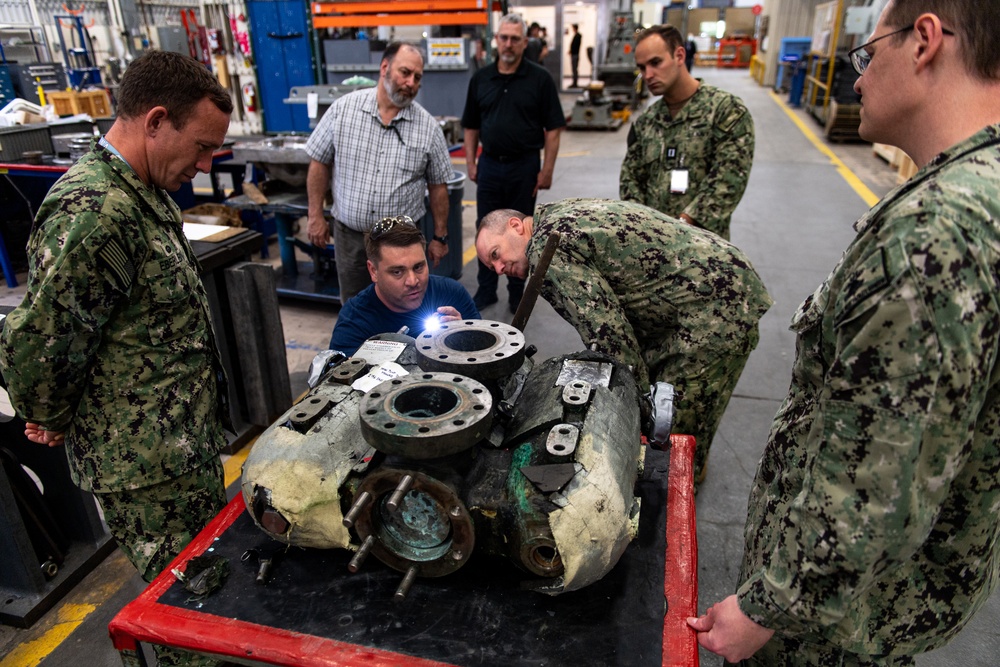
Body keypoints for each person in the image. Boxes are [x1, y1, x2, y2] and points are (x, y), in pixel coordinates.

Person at [687, 1, 1000, 664]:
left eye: (870, 54)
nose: (857, 78)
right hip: (888, 595)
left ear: (924, 41)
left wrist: (768, 606)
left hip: (834, 622)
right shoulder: (982, 192)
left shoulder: (932, 235)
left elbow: (876, 477)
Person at [0, 50, 233, 666]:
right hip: (146, 467)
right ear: (155, 121)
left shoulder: (141, 192)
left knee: (205, 592)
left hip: (178, 448)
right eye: (202, 147)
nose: (206, 165)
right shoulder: (95, 211)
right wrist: (50, 410)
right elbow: (38, 344)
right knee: (188, 619)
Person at [476, 198, 771, 482]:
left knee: (670, 424)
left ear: (516, 226)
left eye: (496, 254)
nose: (499, 269)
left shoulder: (547, 248)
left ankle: (679, 489)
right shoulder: (556, 216)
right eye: (492, 267)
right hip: (713, 281)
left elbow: (608, 333)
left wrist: (637, 410)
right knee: (663, 401)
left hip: (717, 306)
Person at [306, 41, 452, 304]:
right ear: (385, 68)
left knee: (404, 305)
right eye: (405, 73)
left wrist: (440, 237)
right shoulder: (343, 110)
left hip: (402, 244)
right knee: (355, 305)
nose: (411, 83)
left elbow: (438, 187)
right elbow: (319, 162)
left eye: (417, 77)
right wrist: (315, 214)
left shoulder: (428, 128)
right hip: (351, 238)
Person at [462, 13, 566, 313]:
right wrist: (471, 162)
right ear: (496, 40)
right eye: (504, 38)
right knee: (486, 229)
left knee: (521, 233)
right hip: (490, 165)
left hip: (524, 167)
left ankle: (518, 292)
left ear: (524, 42)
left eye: (515, 39)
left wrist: (547, 170)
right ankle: (486, 289)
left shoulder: (540, 79)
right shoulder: (481, 78)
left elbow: (553, 128)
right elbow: (471, 125)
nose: (508, 44)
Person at [619, 24, 754, 240]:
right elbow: (630, 180)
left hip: (702, 249)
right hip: (651, 248)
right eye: (642, 68)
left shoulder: (725, 111)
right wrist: (643, 229)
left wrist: (679, 228)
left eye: (656, 63)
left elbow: (728, 182)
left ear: (679, 56)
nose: (648, 75)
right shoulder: (646, 122)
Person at [329, 216, 480, 357]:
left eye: (418, 267)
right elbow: (340, 374)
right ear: (373, 271)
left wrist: (465, 338)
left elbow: (482, 355)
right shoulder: (355, 323)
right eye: (397, 272)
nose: (413, 281)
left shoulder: (452, 295)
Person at [569, 23, 583, 88]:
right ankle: (574, 82)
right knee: (574, 69)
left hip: (575, 54)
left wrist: (572, 51)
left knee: (574, 69)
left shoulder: (578, 36)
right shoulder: (576, 35)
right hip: (574, 54)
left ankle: (575, 83)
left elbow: (575, 46)